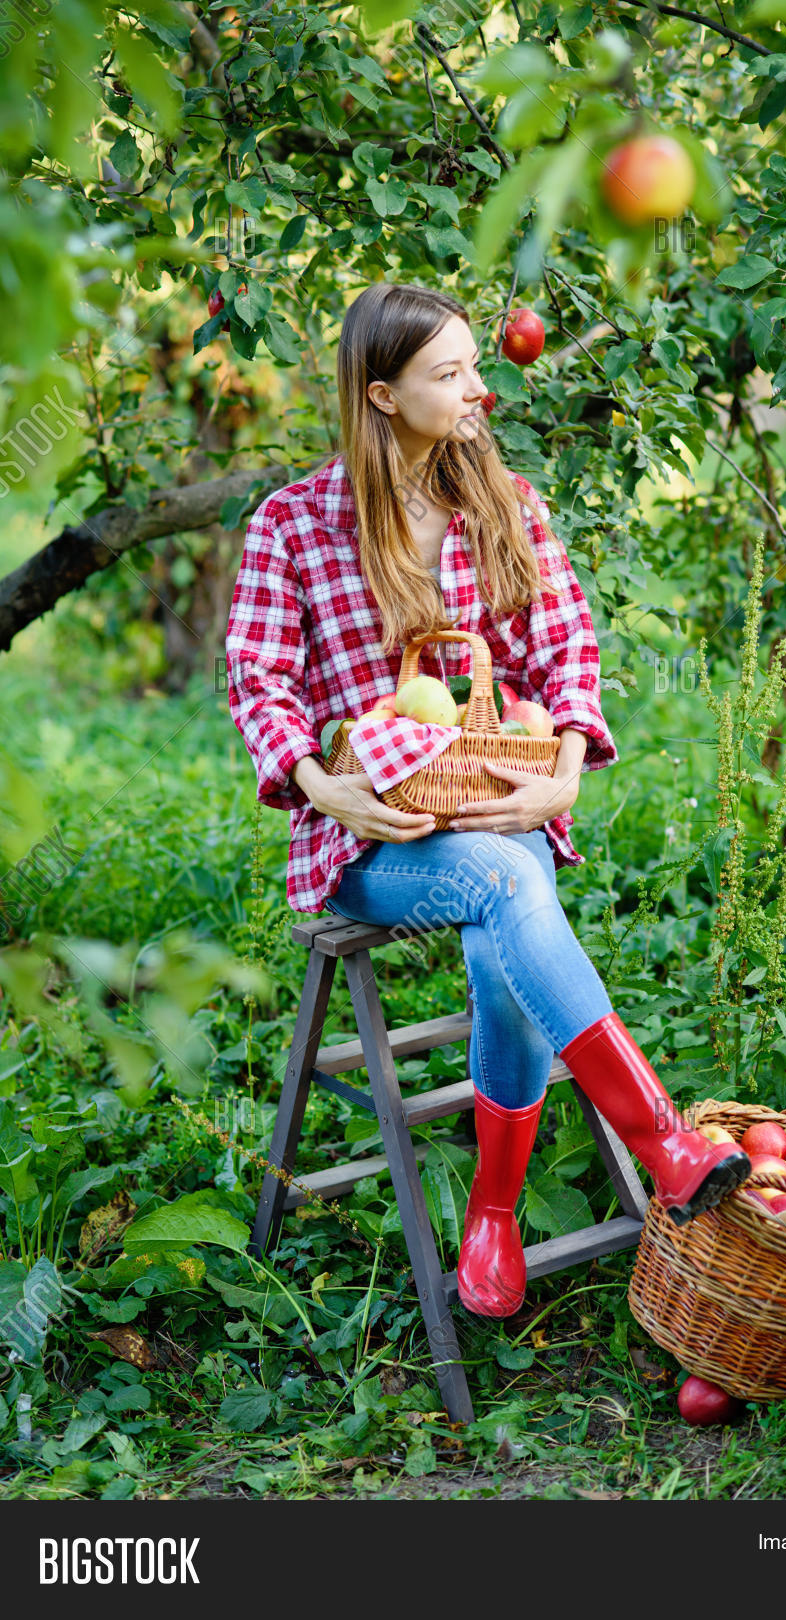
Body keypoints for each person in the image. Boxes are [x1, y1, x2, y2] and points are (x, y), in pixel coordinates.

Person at [226, 281, 750, 1322]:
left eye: (476, 365)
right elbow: (257, 684)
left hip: (497, 801)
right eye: (449, 374)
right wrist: (331, 789)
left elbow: (566, 650)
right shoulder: (293, 525)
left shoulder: (501, 502)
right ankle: (656, 1144)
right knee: (514, 885)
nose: (477, 390)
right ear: (380, 396)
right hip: (380, 839)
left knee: (507, 895)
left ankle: (494, 1215)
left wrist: (562, 761)